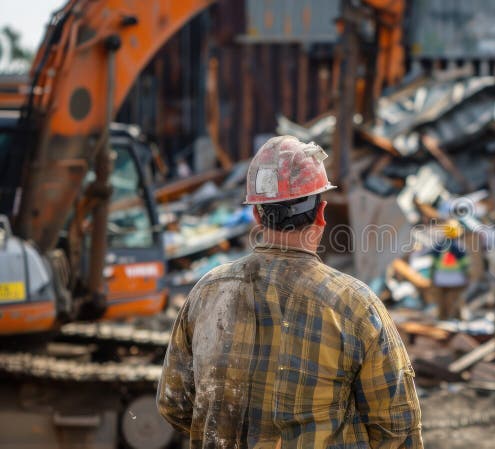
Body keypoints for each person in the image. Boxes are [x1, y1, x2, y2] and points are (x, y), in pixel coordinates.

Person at [157, 135, 423, 448]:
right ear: (321, 214)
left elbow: (174, 402)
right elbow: (398, 429)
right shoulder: (355, 306)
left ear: (257, 214)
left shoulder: (207, 293)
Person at [429, 219, 470, 320]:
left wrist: (432, 277)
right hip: (456, 279)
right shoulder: (460, 247)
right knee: (456, 299)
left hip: (440, 278)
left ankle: (442, 317)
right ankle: (458, 317)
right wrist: (467, 276)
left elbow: (433, 264)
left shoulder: (438, 246)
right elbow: (464, 265)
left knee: (441, 300)